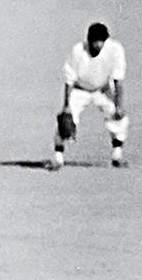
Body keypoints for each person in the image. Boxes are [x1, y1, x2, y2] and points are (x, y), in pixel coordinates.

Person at [52, 22, 129, 170]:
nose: (98, 44)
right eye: (95, 41)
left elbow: (118, 80)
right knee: (65, 121)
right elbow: (69, 80)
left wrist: (119, 106)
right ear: (89, 40)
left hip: (103, 89)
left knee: (118, 118)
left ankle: (117, 155)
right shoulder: (78, 51)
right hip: (79, 90)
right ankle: (58, 157)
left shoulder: (115, 49)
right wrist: (66, 106)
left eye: (102, 40)